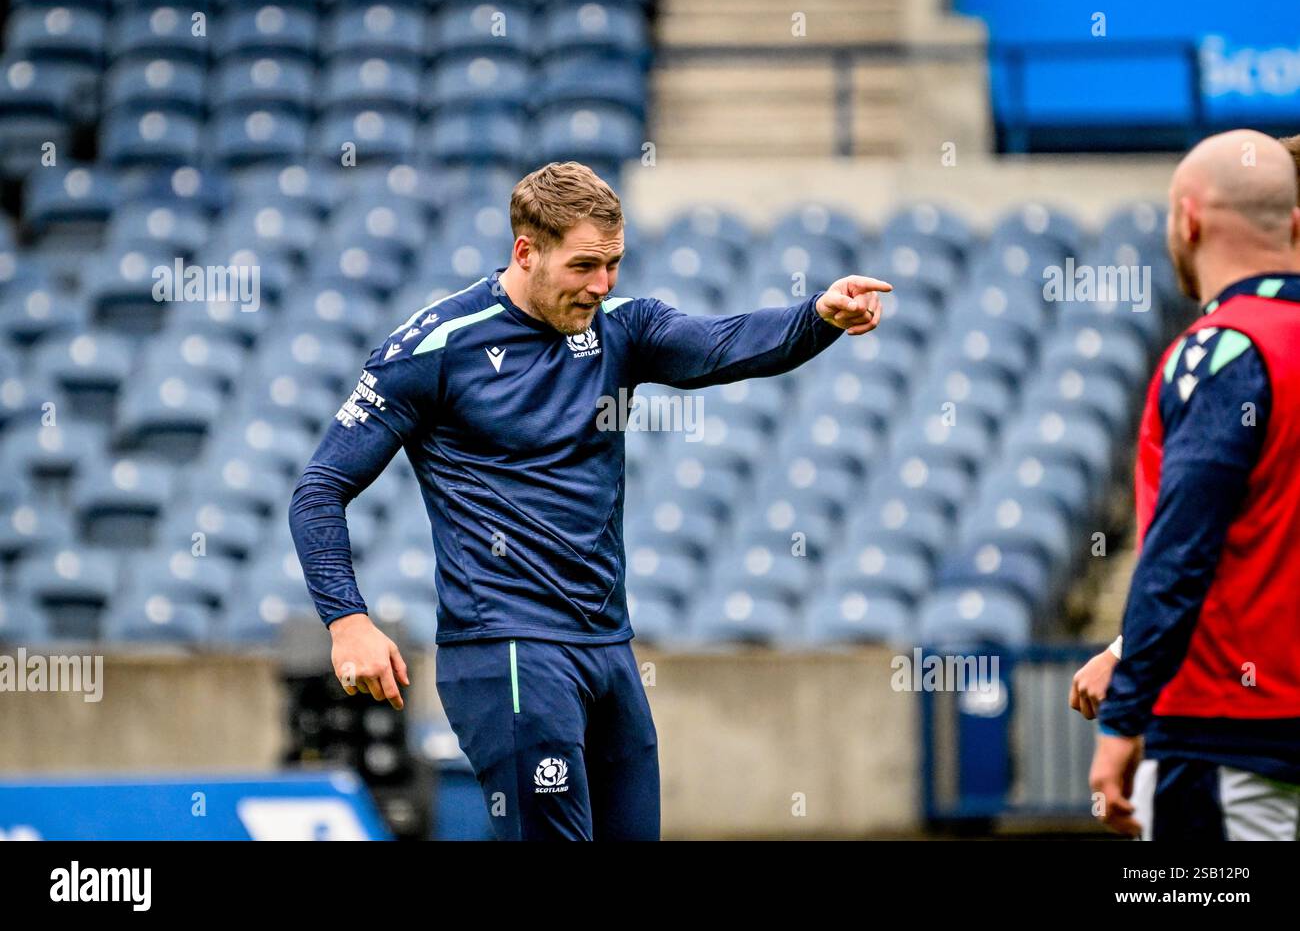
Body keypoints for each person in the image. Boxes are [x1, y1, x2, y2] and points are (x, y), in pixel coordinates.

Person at [288, 161, 890, 840]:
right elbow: (319, 490)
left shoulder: (619, 328)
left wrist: (818, 316)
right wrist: (347, 620)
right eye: (583, 266)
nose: (601, 285)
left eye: (614, 265)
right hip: (507, 649)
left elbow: (723, 344)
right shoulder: (434, 347)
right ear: (526, 251)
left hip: (607, 648)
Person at [1074, 131, 1300, 840]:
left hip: (1225, 737)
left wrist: (1125, 713)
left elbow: (1183, 548)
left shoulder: (1223, 349)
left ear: (1187, 220)